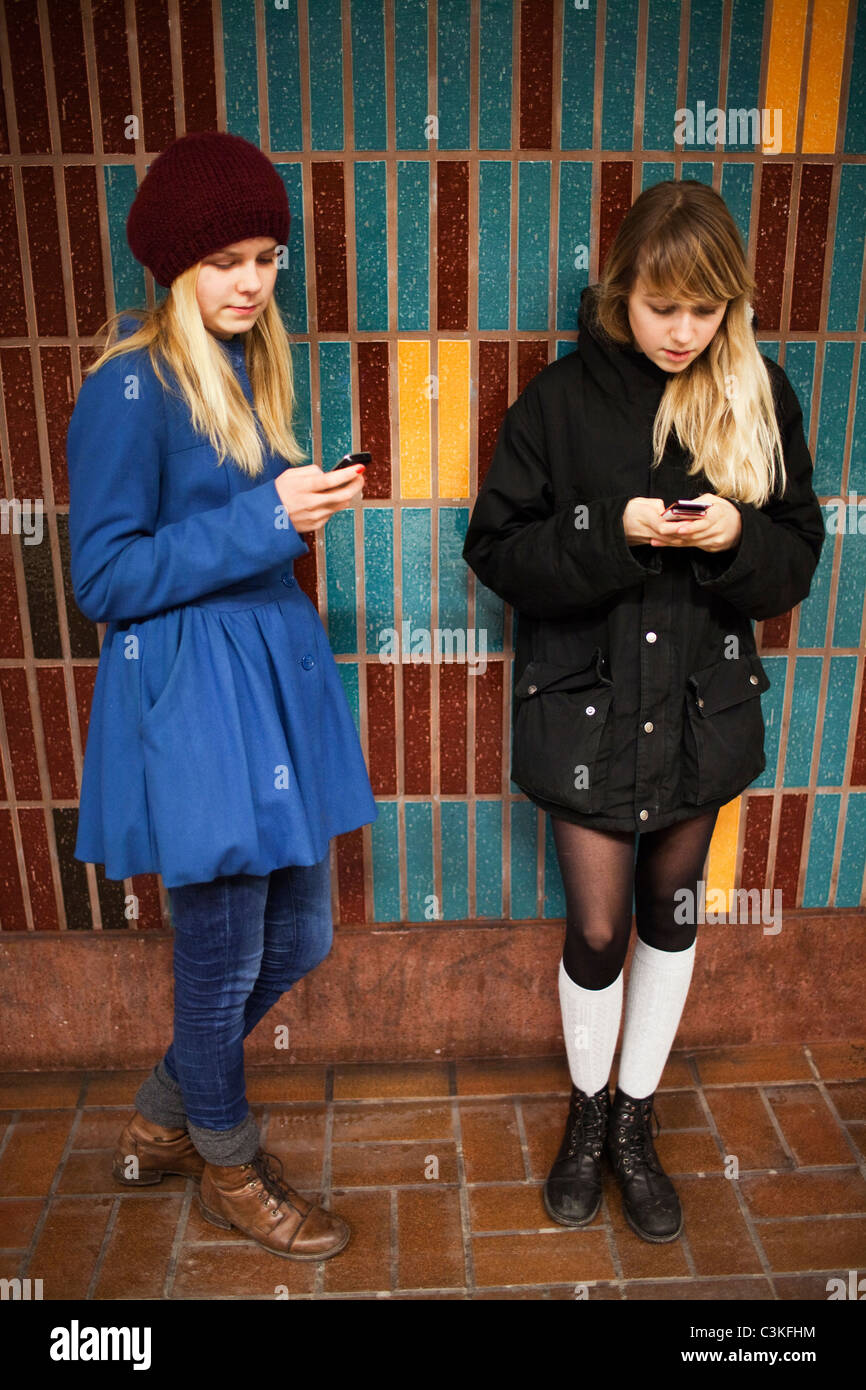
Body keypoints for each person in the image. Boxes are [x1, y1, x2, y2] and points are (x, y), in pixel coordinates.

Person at [462, 179, 825, 1244]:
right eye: (662, 306)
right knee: (595, 925)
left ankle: (634, 1118)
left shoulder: (758, 391)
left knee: (671, 914)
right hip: (583, 710)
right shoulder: (559, 401)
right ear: (622, 288)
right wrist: (607, 530)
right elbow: (495, 551)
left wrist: (736, 538)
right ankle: (586, 1112)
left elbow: (795, 558)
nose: (682, 331)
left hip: (700, 711)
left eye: (705, 310)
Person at [66, 131, 378, 1261]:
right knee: (221, 955)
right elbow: (102, 577)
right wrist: (264, 519)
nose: (251, 282)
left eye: (266, 259)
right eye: (225, 261)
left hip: (266, 681)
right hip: (195, 700)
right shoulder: (128, 386)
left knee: (302, 932)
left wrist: (301, 502)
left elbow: (230, 526)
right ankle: (228, 1165)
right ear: (173, 266)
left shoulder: (249, 364)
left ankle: (164, 1116)